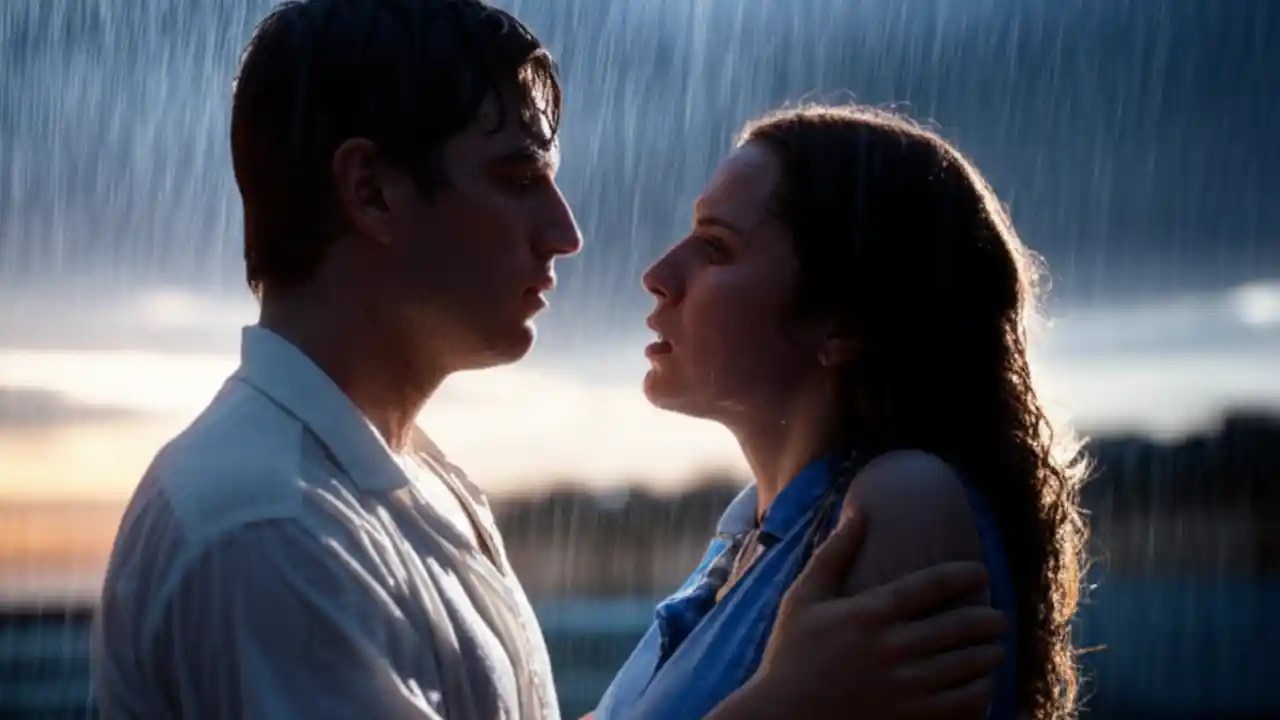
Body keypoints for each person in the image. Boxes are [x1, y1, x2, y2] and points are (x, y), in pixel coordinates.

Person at [91, 2, 1009, 718]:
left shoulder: (418, 491)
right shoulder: (266, 527)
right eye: (520, 178)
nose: (568, 234)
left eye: (719, 246)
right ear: (370, 191)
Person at [595, 104, 1088, 720]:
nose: (659, 274)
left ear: (845, 323)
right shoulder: (747, 541)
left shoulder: (901, 503)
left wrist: (783, 705)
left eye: (716, 247)